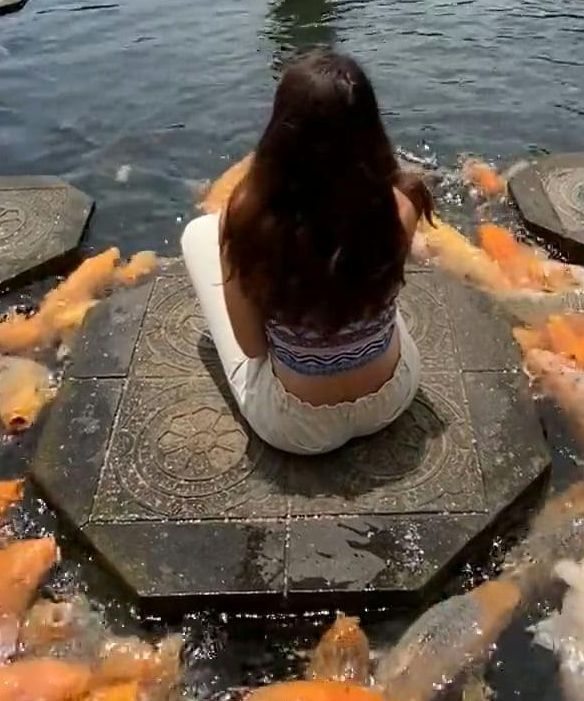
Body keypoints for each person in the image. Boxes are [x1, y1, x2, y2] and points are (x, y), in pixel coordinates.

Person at [181, 49, 431, 455]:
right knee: (363, 289)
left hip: (295, 427)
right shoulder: (402, 205)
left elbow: (252, 348)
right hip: (392, 396)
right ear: (370, 128)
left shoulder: (248, 218)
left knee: (196, 234)